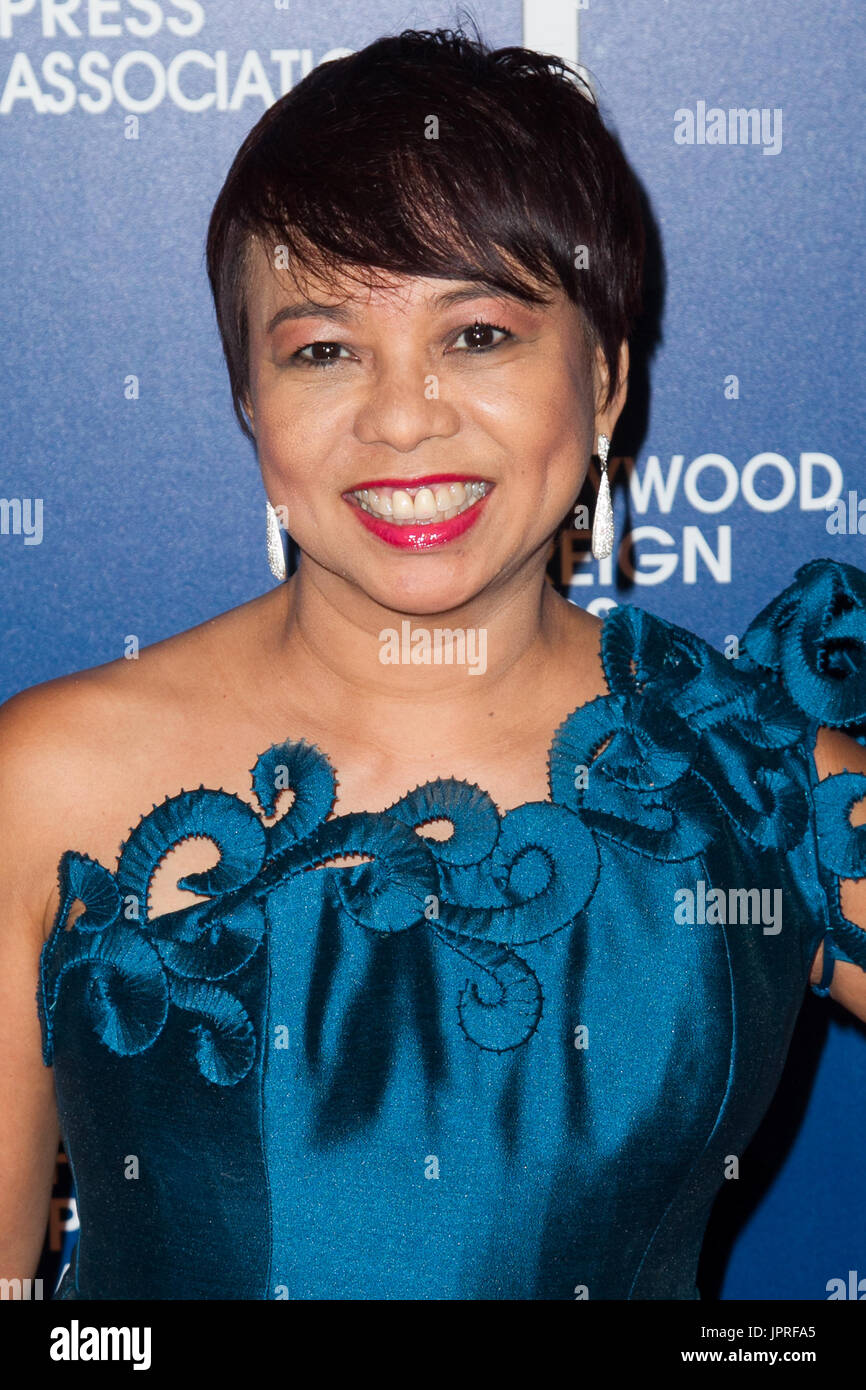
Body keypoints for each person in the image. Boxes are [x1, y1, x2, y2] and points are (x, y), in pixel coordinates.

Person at [1, 25, 864, 1302]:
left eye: (477, 335)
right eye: (322, 349)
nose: (403, 417)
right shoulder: (47, 781)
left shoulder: (763, 783)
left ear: (607, 374)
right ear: (247, 395)